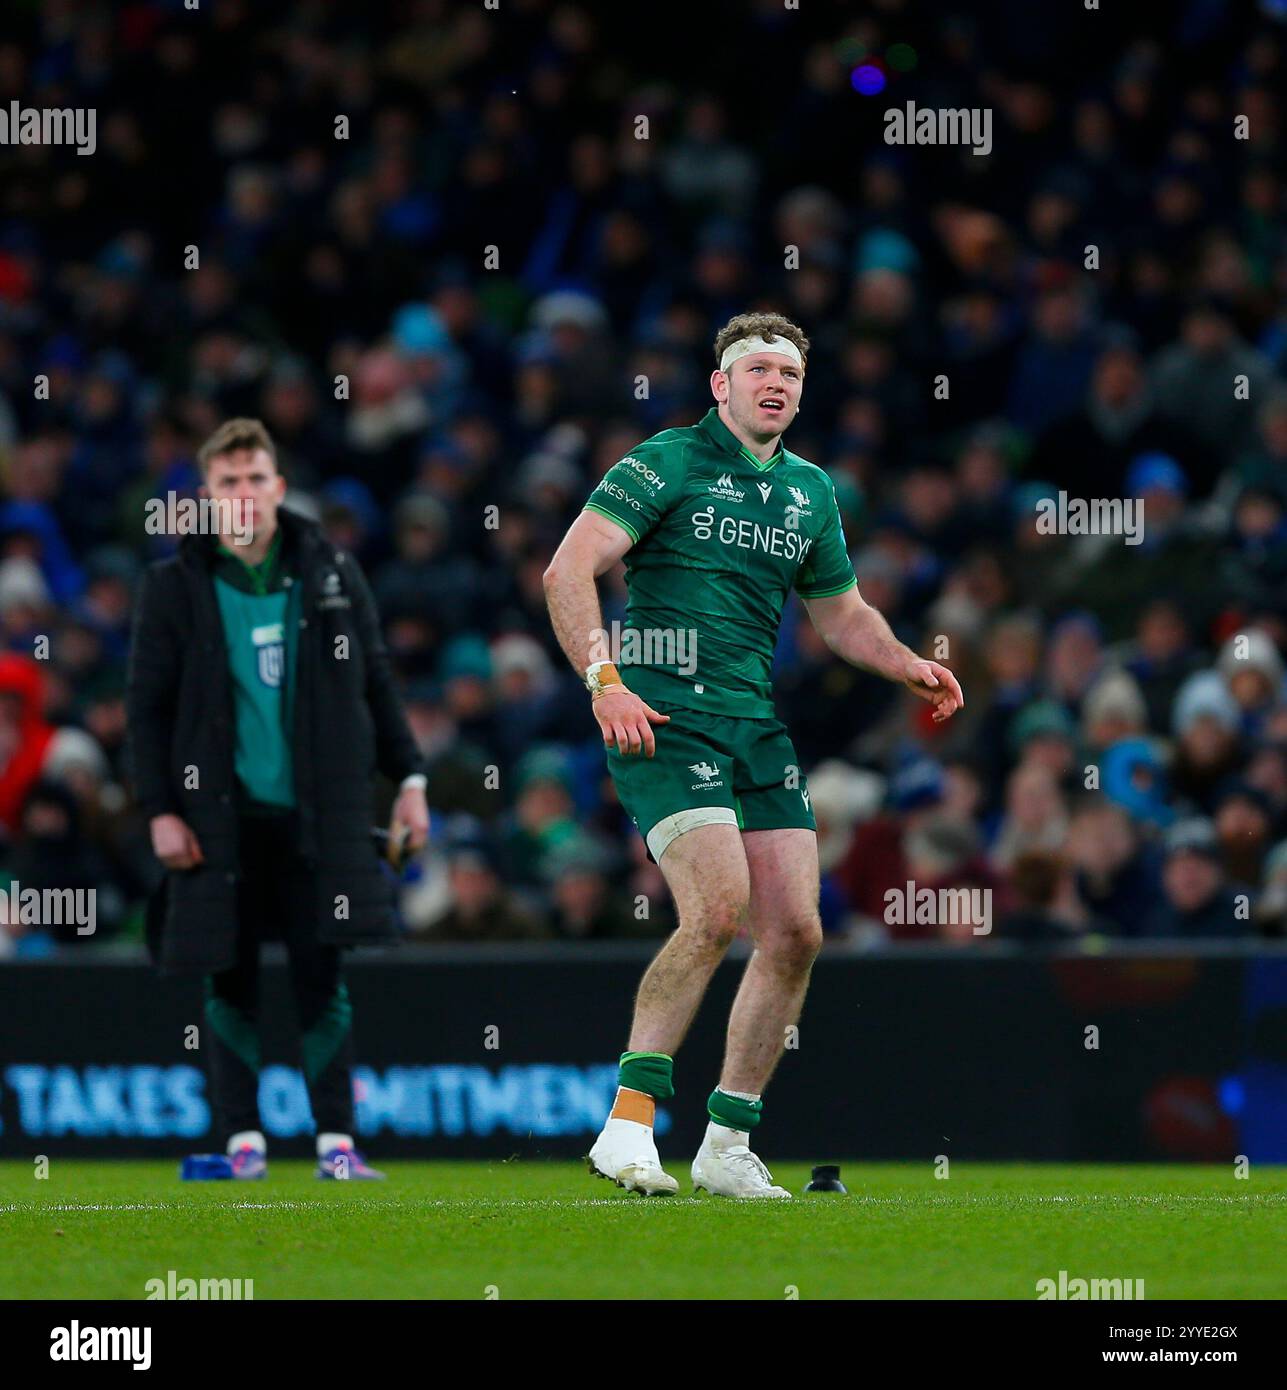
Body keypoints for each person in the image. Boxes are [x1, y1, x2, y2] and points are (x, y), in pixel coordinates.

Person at [542, 312, 963, 1197]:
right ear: (720, 385)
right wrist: (603, 680)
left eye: (792, 374)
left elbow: (841, 614)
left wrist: (906, 665)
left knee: (799, 931)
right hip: (662, 714)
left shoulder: (809, 490)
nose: (777, 384)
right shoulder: (666, 460)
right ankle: (625, 1128)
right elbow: (566, 570)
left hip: (753, 724)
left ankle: (726, 1144)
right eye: (760, 369)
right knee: (716, 910)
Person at [126, 418, 429, 1180]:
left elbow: (377, 683)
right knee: (225, 974)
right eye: (228, 483)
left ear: (279, 489)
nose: (244, 495)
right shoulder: (173, 586)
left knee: (319, 974)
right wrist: (160, 808)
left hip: (315, 817)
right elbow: (146, 710)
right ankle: (243, 1146)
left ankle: (336, 1145)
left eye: (256, 479)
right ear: (206, 497)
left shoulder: (331, 571)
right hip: (215, 820)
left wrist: (413, 781)